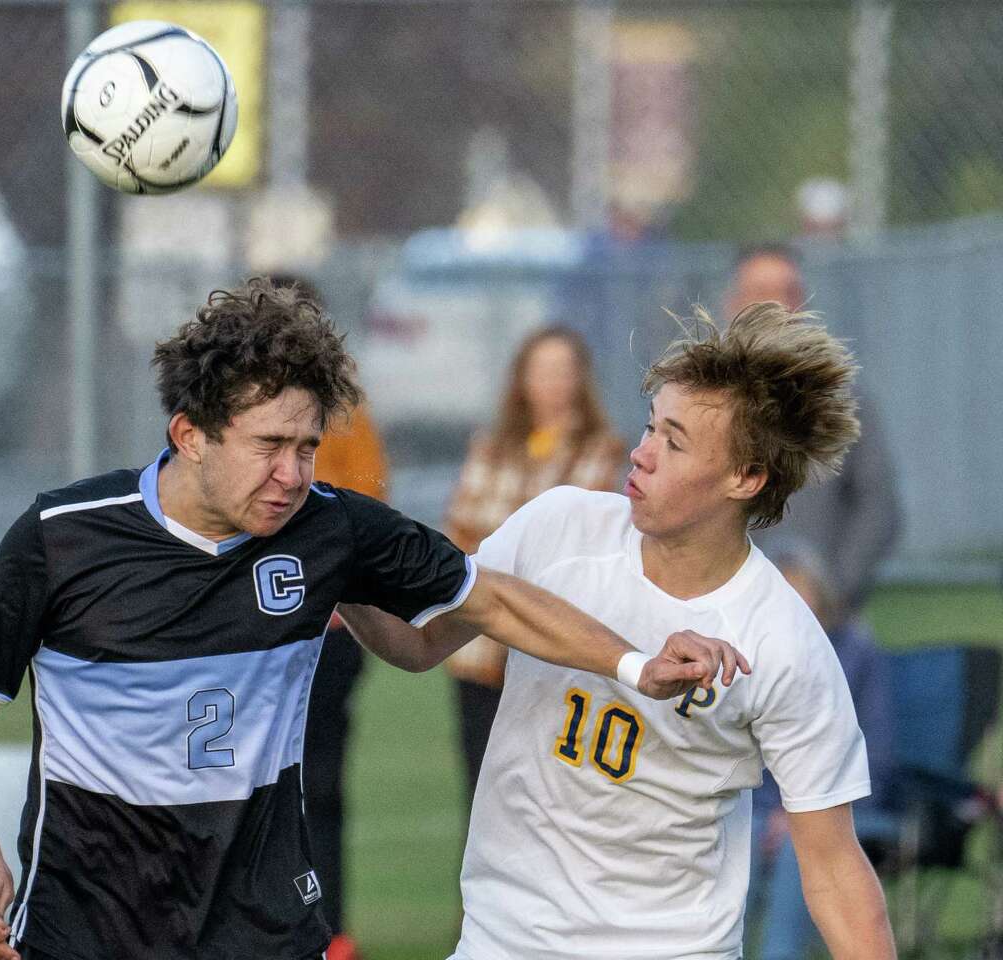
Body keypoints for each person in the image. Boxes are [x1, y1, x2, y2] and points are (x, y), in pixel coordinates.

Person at [0, 278, 745, 960]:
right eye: (269, 444)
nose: (292, 474)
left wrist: (637, 664)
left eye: (309, 446)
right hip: (88, 924)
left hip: (263, 923)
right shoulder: (62, 538)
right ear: (189, 436)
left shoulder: (329, 527)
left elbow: (486, 601)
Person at [341, 302, 897, 960]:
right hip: (502, 942)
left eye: (675, 441)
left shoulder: (783, 641)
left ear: (746, 477)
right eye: (650, 426)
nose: (641, 453)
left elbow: (833, 868)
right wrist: (331, 565)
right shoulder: (557, 527)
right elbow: (418, 644)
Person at [443, 326, 628, 802]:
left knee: (552, 797)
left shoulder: (604, 454)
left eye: (564, 372)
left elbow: (590, 550)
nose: (553, 384)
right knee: (483, 793)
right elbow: (460, 534)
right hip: (481, 654)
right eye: (542, 371)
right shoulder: (492, 448)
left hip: (558, 654)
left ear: (581, 380)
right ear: (521, 379)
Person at [270, 275, 388, 960]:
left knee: (320, 780)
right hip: (249, 631)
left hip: (326, 629)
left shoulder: (342, 410)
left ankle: (328, 931)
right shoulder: (231, 411)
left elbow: (366, 502)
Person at [727, 243, 901, 619]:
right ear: (733, 303)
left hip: (824, 620)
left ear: (803, 307)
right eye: (760, 294)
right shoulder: (696, 398)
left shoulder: (844, 400)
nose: (774, 307)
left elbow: (879, 509)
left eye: (787, 294)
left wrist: (830, 590)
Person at [749, 539, 895, 960]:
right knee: (735, 835)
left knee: (805, 842)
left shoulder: (858, 653)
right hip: (760, 810)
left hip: (843, 805)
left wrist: (800, 811)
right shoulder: (750, 656)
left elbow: (877, 758)